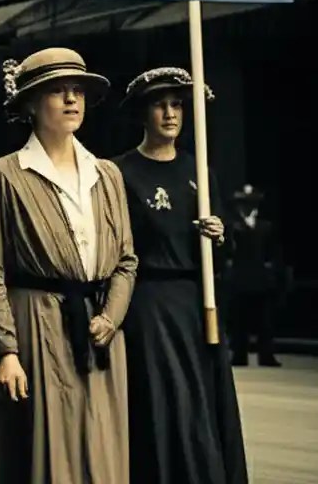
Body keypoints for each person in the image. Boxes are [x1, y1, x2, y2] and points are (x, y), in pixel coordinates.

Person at [0, 48, 138, 484]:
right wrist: (6, 351)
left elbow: (126, 259)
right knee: (43, 450)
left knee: (101, 446)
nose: (70, 99)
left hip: (98, 332)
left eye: (77, 90)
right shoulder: (6, 174)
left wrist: (111, 317)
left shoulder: (106, 174)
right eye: (57, 91)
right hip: (35, 327)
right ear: (30, 105)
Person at [113, 67, 247, 483]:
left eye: (177, 105)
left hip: (197, 302)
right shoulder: (118, 173)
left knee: (203, 401)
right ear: (142, 113)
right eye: (160, 105)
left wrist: (219, 236)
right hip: (148, 306)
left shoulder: (200, 172)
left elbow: (220, 256)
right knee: (161, 400)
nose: (170, 114)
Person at [227, 184, 283, 367]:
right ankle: (239, 355)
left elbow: (273, 254)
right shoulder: (233, 227)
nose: (247, 206)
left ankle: (266, 355)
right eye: (243, 203)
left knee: (265, 323)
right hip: (239, 280)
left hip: (261, 281)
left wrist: (270, 273)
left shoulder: (266, 226)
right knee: (239, 322)